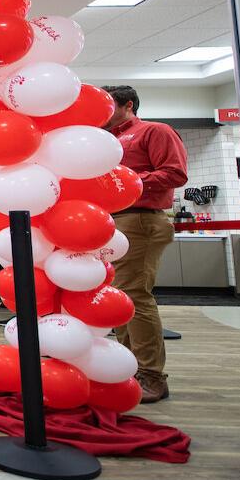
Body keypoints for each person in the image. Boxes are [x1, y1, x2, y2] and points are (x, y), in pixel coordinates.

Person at [103, 85, 189, 403]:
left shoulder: (153, 131)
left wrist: (127, 183)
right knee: (118, 296)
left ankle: (152, 375)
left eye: (107, 106)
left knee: (134, 295)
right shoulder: (102, 140)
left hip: (139, 218)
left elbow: (175, 173)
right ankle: (128, 367)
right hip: (109, 223)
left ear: (128, 105)